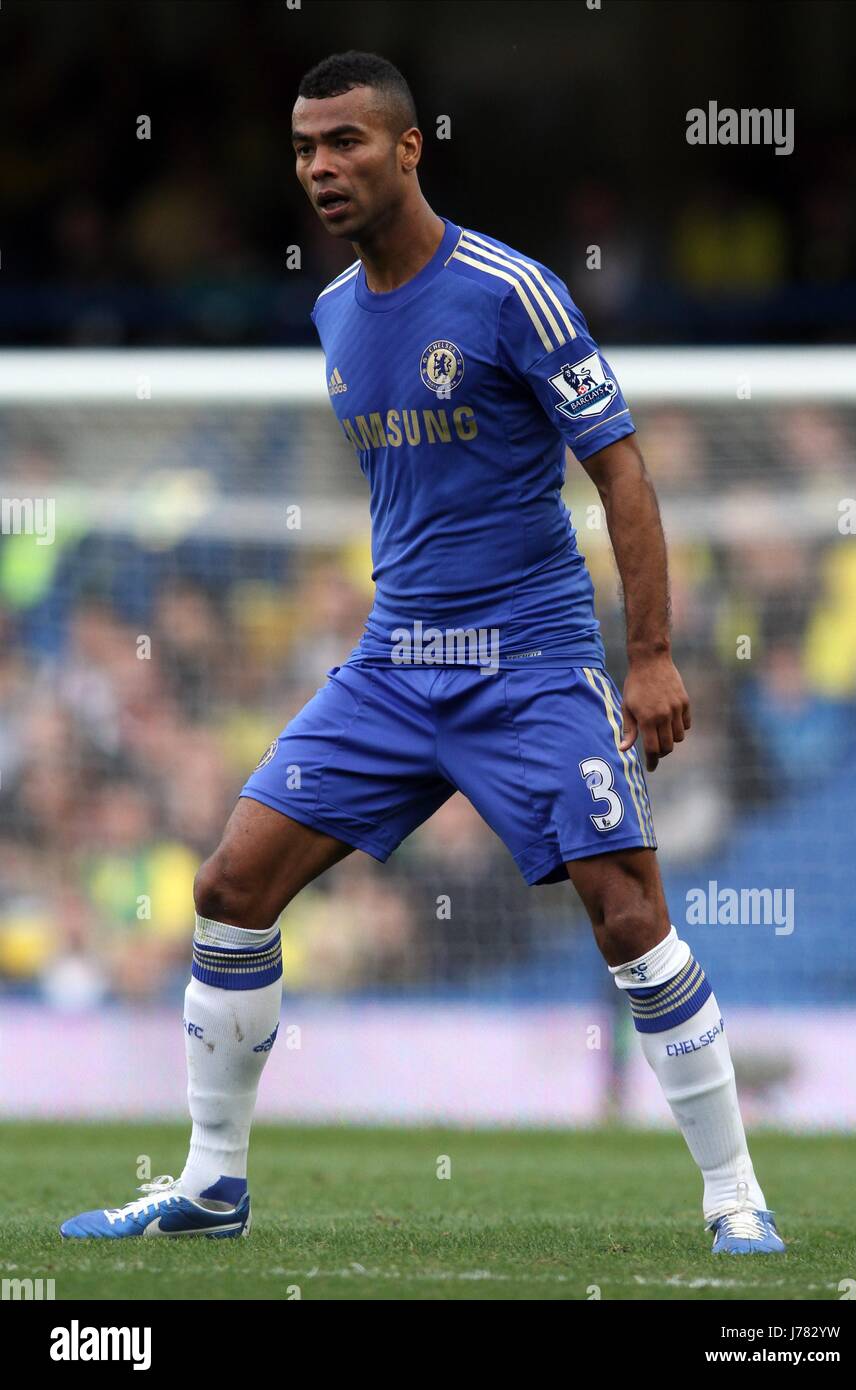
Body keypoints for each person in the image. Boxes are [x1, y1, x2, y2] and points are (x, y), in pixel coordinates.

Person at [61, 50, 783, 1255]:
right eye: (302, 149)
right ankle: (211, 1184)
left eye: (344, 142)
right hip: (394, 667)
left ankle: (734, 1196)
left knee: (625, 910)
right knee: (228, 888)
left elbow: (621, 473)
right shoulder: (331, 314)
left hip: (534, 663)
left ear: (407, 149)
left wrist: (648, 653)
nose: (320, 168)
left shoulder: (510, 291)